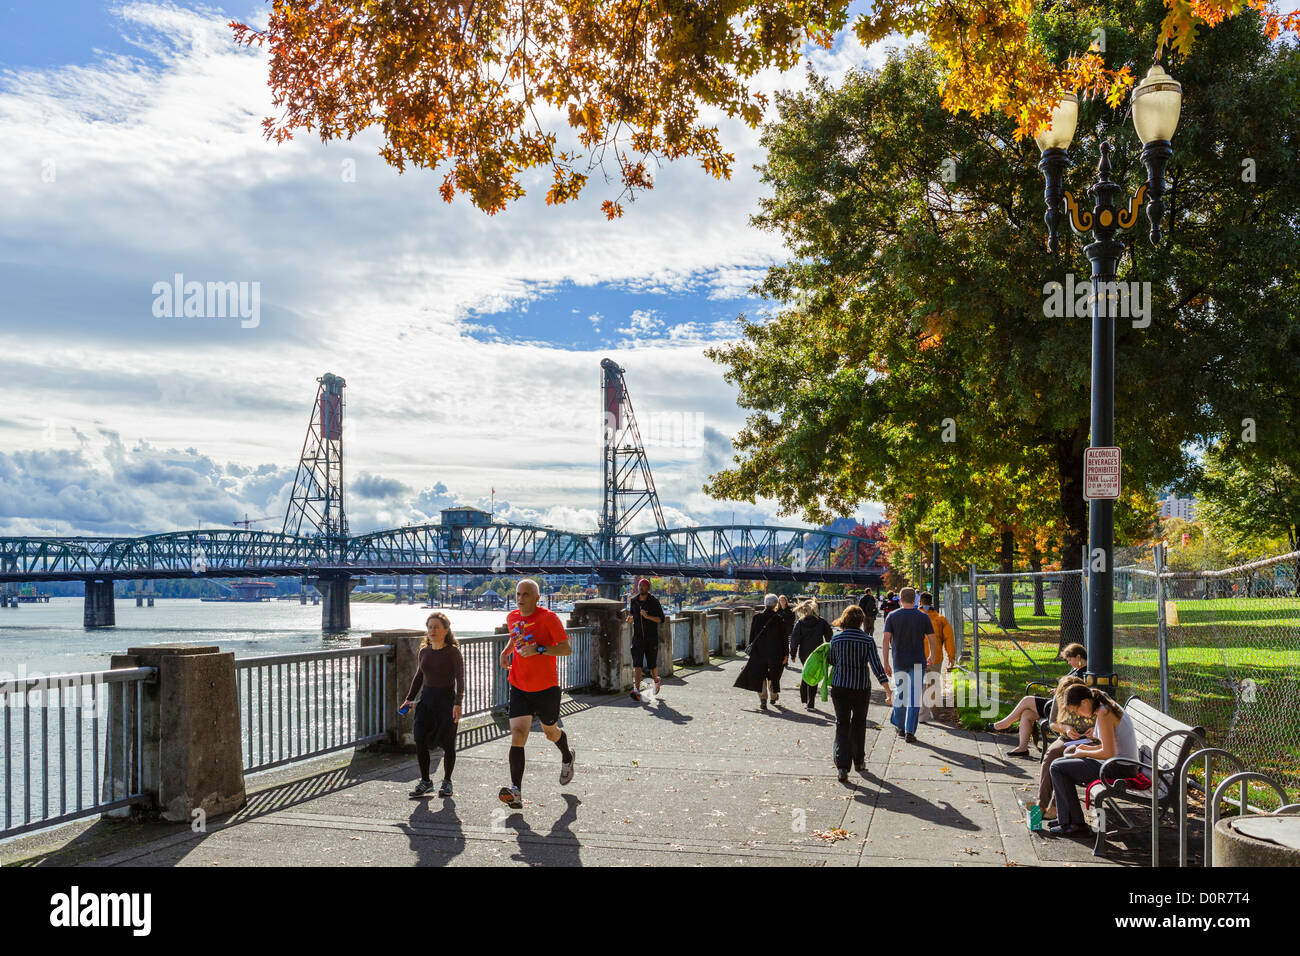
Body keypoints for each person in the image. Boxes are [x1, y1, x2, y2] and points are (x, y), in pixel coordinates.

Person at [497, 578, 577, 809]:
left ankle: (567, 756)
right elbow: (516, 637)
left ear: (537, 597)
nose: (520, 599)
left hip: (546, 688)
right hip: (519, 685)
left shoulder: (549, 618)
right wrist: (505, 652)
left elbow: (565, 648)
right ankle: (516, 791)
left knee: (550, 732)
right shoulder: (512, 617)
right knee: (518, 734)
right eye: (518, 594)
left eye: (526, 595)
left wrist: (540, 650)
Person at [1047, 684, 1139, 836]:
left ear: (1084, 702)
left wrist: (1083, 753)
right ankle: (1067, 819)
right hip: (1120, 764)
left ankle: (1074, 824)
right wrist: (1085, 750)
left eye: (1077, 710)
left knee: (1058, 768)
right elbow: (1110, 748)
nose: (1080, 715)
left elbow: (1108, 753)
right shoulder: (1105, 708)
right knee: (1058, 765)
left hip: (1120, 769)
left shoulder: (1104, 713)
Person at [401, 611, 465, 797]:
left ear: (446, 630)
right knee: (420, 739)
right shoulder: (424, 651)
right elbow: (419, 676)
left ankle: (447, 781)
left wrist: (457, 703)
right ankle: (426, 781)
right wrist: (410, 698)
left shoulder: (453, 652)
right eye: (430, 627)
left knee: (448, 744)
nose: (432, 630)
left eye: (436, 627)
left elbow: (460, 679)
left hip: (446, 702)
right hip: (426, 701)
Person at [986, 643, 1087, 757]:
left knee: (1027, 700)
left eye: (1069, 659)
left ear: (1078, 657)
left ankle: (1004, 723)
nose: (1068, 662)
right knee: (1027, 714)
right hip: (1056, 703)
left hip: (1062, 709)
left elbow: (1075, 692)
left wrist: (1059, 691)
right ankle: (1022, 748)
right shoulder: (1076, 669)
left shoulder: (1084, 672)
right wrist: (1057, 689)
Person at [826, 605, 889, 782]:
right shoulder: (867, 641)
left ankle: (842, 767)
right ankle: (859, 761)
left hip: (840, 687)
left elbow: (831, 660)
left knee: (842, 723)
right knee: (859, 723)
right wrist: (887, 690)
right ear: (861, 621)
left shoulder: (836, 639)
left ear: (844, 619)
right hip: (861, 688)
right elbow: (877, 666)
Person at [1034, 676, 1094, 820]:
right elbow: (1052, 722)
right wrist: (1066, 728)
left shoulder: (1088, 699)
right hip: (1067, 738)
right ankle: (1040, 804)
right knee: (1051, 754)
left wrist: (1095, 730)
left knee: (1066, 759)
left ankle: (1056, 805)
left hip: (1090, 741)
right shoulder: (1059, 697)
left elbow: (1105, 724)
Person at [880, 586, 934, 743]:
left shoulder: (892, 616)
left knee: (901, 695)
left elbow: (885, 640)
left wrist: (885, 662)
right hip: (918, 661)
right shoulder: (923, 617)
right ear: (915, 600)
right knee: (914, 697)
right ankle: (910, 731)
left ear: (900, 600)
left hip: (899, 661)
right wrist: (931, 654)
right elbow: (932, 638)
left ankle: (899, 726)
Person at [733, 593, 788, 710]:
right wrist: (786, 654)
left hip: (759, 652)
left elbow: (752, 636)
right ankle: (773, 696)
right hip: (775, 653)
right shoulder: (779, 619)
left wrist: (751, 651)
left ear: (765, 604)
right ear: (775, 605)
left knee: (760, 675)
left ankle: (763, 698)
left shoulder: (757, 618)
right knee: (773, 676)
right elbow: (784, 639)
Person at [789, 599, 833, 710]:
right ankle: (810, 702)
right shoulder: (821, 622)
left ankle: (805, 699)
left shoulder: (800, 623)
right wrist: (829, 650)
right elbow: (830, 637)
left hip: (804, 653)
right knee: (813, 675)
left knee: (806, 672)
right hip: (818, 652)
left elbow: (794, 640)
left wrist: (793, 654)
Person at [627, 577, 665, 702]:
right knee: (637, 664)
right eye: (639, 585)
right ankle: (636, 690)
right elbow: (631, 615)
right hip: (638, 637)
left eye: (643, 585)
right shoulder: (634, 601)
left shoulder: (653, 601)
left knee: (651, 664)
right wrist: (630, 619)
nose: (641, 587)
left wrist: (647, 616)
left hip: (651, 637)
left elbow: (660, 619)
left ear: (648, 588)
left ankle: (656, 680)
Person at [919, 592, 957, 672]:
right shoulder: (940, 619)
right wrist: (951, 657)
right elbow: (949, 638)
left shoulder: (914, 618)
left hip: (917, 658)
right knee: (933, 683)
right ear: (931, 603)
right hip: (935, 657)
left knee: (918, 683)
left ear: (920, 602)